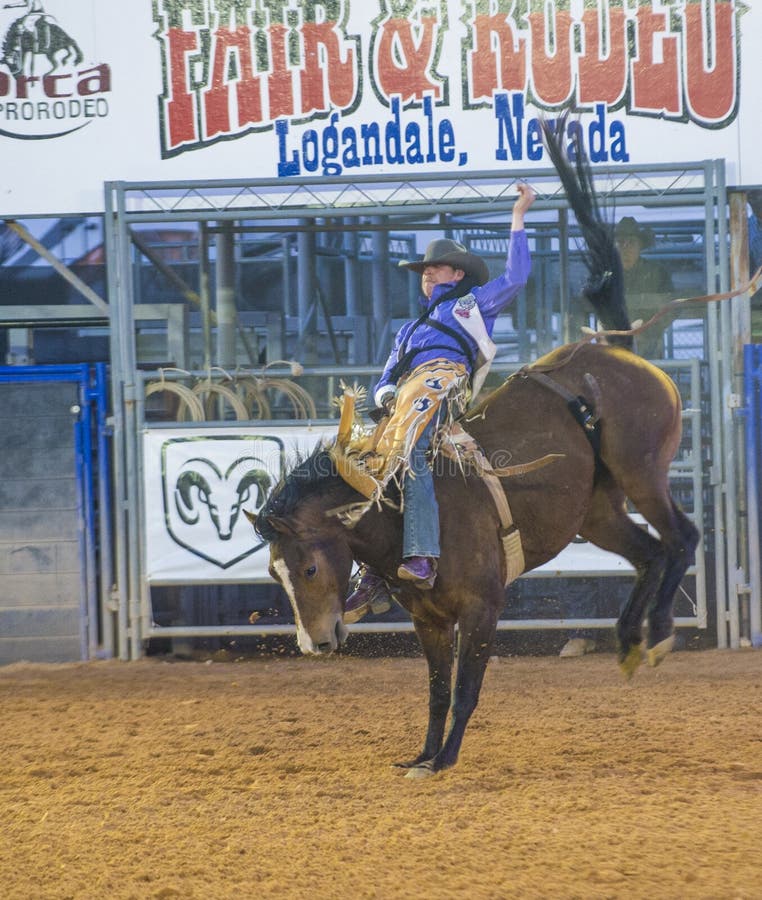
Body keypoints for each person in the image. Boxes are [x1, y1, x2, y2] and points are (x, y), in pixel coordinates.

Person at [344, 182, 536, 623]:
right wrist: (386, 393)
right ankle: (372, 571)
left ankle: (423, 554)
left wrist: (518, 218)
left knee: (411, 451)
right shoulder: (407, 332)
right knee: (361, 462)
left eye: (437, 268)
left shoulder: (472, 304)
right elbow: (386, 377)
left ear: (458, 275)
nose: (427, 274)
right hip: (407, 395)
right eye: (425, 270)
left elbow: (517, 278)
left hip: (443, 386)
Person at [614, 216, 674, 359]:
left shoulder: (657, 272)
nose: (626, 248)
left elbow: (672, 308)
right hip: (614, 345)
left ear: (640, 246)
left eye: (631, 243)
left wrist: (649, 330)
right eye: (621, 242)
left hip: (650, 345)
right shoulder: (607, 275)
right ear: (614, 246)